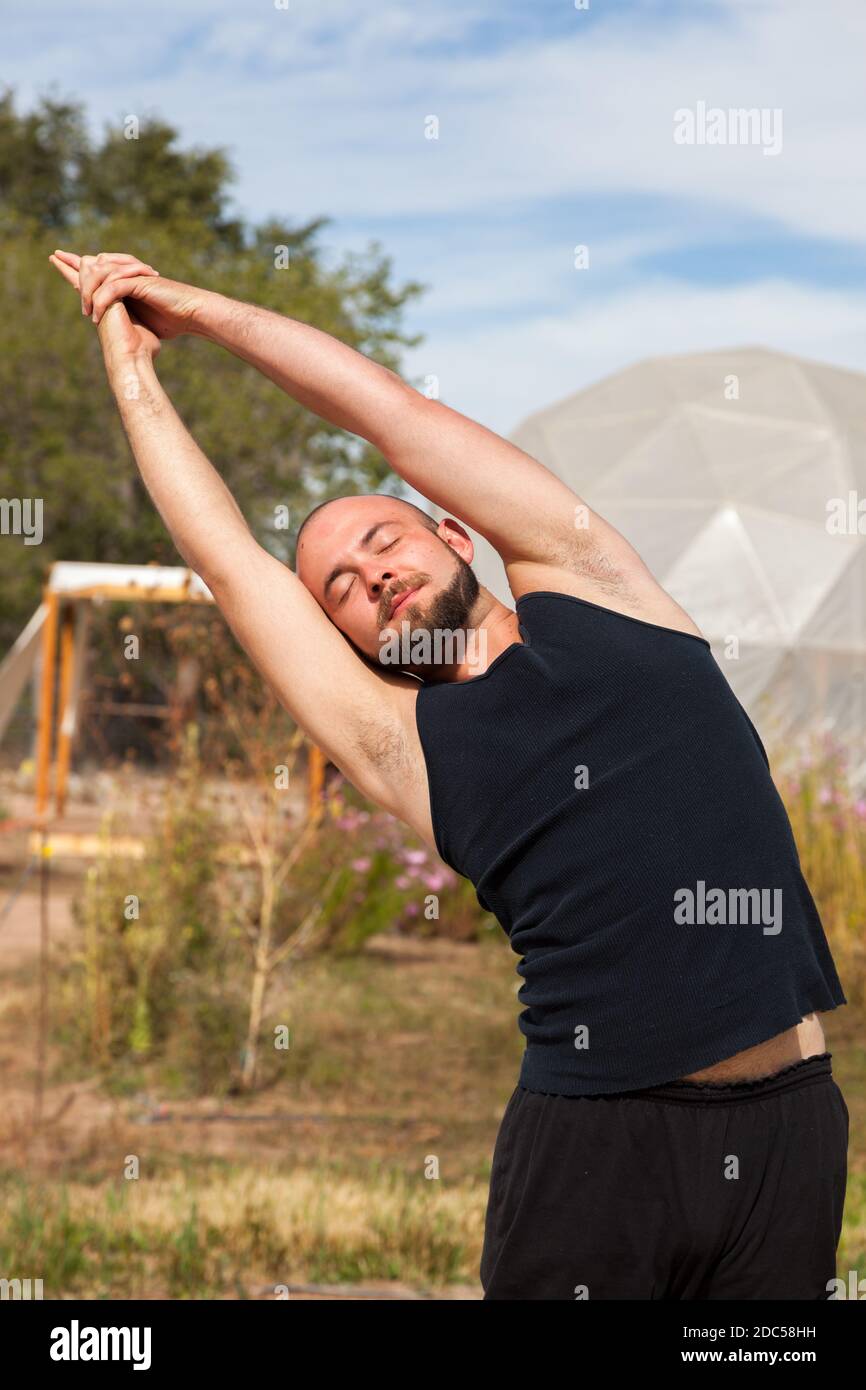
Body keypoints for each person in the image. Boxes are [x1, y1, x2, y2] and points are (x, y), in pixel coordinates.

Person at [48, 250, 850, 1300]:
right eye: (338, 584)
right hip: (595, 1148)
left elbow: (382, 410)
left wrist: (194, 311)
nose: (369, 571)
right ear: (342, 634)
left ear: (453, 532)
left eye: (382, 538)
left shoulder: (599, 586)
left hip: (790, 1124)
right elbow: (232, 562)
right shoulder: (400, 745)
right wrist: (133, 374)